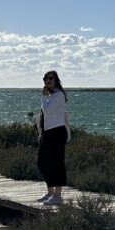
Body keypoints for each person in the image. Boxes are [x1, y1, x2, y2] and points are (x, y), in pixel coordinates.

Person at [36, 70, 70, 205]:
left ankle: (58, 195)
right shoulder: (50, 96)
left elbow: (48, 111)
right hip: (46, 133)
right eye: (45, 78)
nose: (47, 80)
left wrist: (44, 97)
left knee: (57, 162)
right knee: (42, 162)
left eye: (50, 78)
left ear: (56, 80)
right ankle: (50, 192)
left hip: (57, 133)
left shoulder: (58, 95)